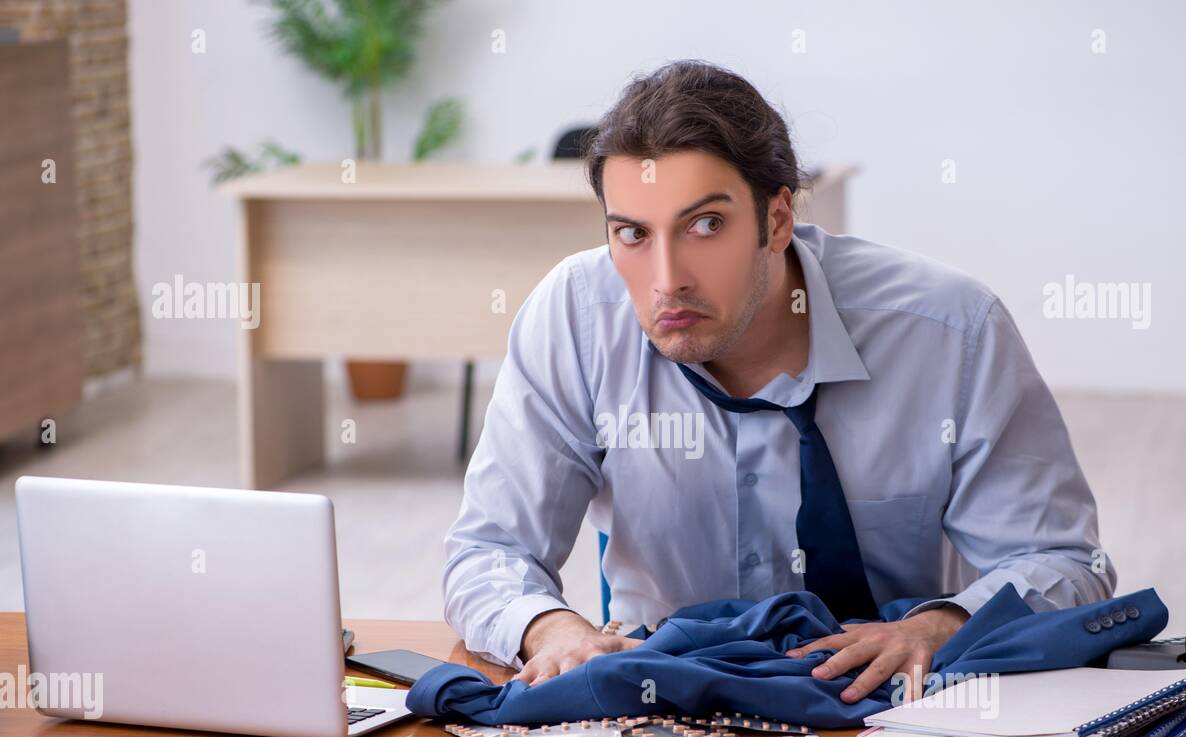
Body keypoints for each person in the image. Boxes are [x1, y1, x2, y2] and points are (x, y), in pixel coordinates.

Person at [443, 60, 1114, 704]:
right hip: (668, 711)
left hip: (895, 710)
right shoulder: (576, 317)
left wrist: (937, 626)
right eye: (632, 233)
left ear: (778, 219)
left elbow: (1063, 563)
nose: (667, 278)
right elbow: (488, 551)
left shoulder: (952, 331)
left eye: (706, 225)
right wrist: (550, 627)